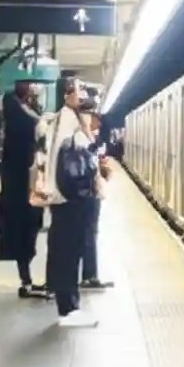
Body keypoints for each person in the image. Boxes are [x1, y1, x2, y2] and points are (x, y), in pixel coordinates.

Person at [33, 77, 98, 327]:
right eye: (79, 90)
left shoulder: (61, 119)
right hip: (69, 197)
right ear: (67, 95)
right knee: (69, 252)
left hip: (62, 196)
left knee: (65, 250)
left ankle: (68, 304)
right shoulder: (69, 120)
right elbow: (81, 155)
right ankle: (68, 308)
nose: (83, 95)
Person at [0, 80, 47, 297]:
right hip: (25, 190)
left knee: (21, 235)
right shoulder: (26, 120)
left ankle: (25, 280)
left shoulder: (13, 114)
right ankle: (26, 282)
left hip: (14, 190)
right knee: (27, 234)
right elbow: (38, 139)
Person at [78, 106, 114, 290]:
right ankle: (89, 276)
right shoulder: (84, 141)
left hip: (90, 192)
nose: (98, 123)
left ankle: (89, 275)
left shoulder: (90, 140)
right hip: (88, 193)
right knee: (89, 234)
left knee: (87, 234)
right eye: (95, 118)